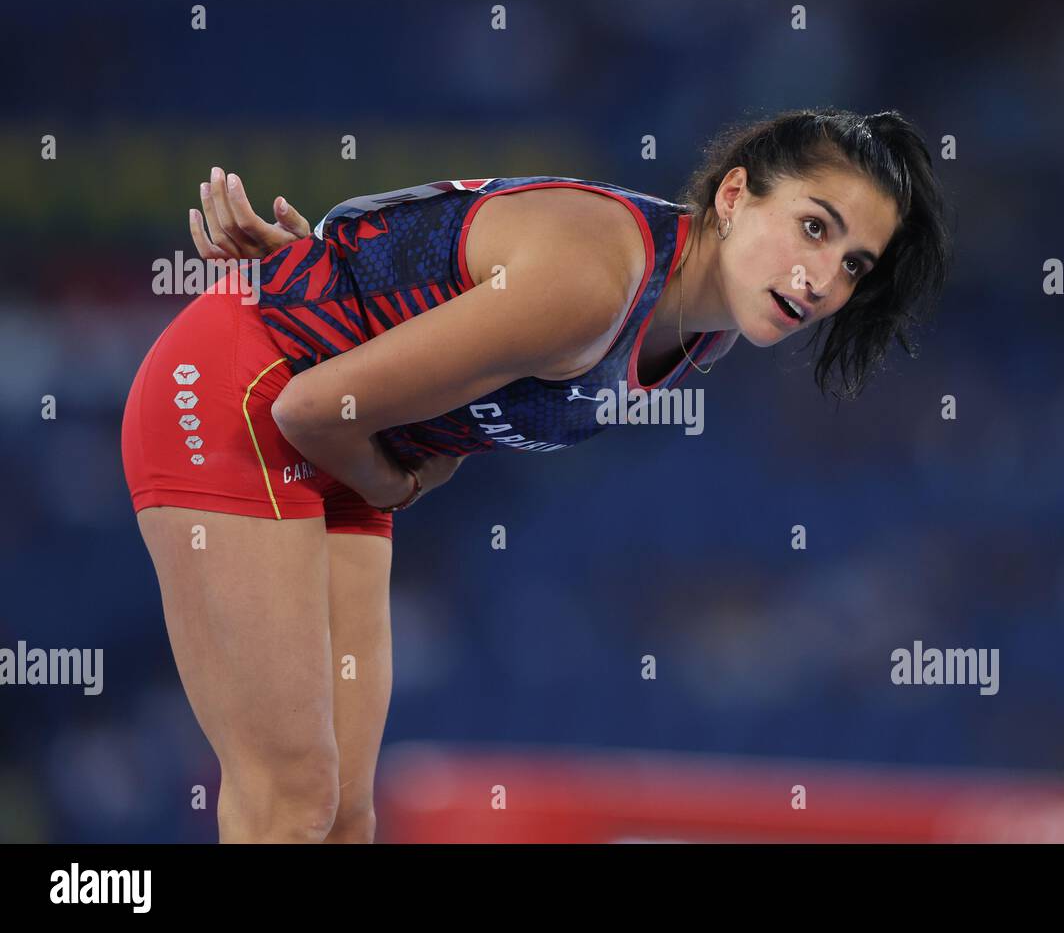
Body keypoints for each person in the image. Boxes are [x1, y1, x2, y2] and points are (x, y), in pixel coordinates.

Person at [119, 107, 952, 842]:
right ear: (733, 196)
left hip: (339, 436)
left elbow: (423, 266)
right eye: (815, 226)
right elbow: (310, 409)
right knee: (288, 802)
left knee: (342, 819)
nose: (823, 278)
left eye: (855, 264)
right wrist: (396, 486)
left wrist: (330, 286)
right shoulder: (595, 285)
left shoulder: (705, 329)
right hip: (243, 396)